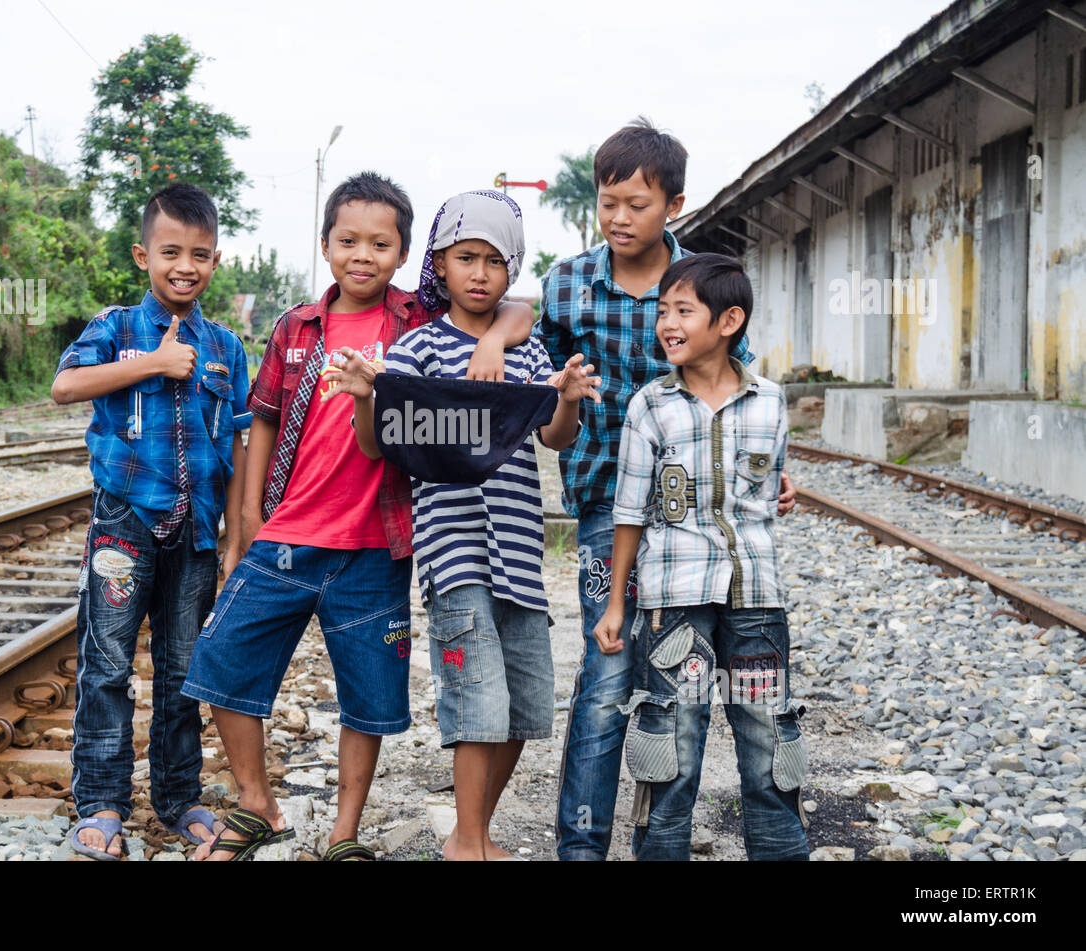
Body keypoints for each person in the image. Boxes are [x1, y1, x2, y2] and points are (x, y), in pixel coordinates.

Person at [182, 172, 535, 861]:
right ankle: (256, 801)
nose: (363, 255)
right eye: (349, 240)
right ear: (326, 245)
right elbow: (263, 418)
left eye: (381, 242)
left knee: (365, 697)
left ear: (405, 255)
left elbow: (512, 306)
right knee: (220, 660)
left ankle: (344, 831)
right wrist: (248, 518)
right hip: (287, 533)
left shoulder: (418, 322)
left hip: (377, 541)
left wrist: (495, 341)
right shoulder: (296, 327)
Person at [538, 117, 797, 861]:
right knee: (608, 675)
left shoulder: (705, 284)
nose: (619, 218)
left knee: (687, 693)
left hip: (699, 529)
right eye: (607, 201)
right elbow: (538, 362)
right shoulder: (566, 285)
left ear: (673, 205)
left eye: (636, 204)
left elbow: (739, 391)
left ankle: (684, 833)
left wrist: (774, 472)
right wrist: (509, 348)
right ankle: (581, 845)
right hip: (604, 508)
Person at [332, 191, 600, 859]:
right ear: (441, 266)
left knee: (522, 707)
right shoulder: (416, 349)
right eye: (465, 258)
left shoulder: (527, 350)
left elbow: (556, 438)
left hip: (519, 551)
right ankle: (471, 843)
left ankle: (467, 828)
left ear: (511, 272)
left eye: (495, 262)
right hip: (454, 552)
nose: (480, 273)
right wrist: (368, 398)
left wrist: (565, 400)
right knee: (477, 700)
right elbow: (377, 445)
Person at [51, 182, 251, 860]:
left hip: (195, 529)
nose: (184, 266)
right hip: (124, 523)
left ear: (216, 261)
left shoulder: (225, 347)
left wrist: (237, 532)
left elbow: (242, 438)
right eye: (170, 252)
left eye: (199, 254)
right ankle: (101, 802)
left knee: (182, 668)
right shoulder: (115, 327)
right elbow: (65, 386)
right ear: (144, 254)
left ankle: (178, 797)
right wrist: (157, 364)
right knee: (106, 662)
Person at [594, 252, 809, 861]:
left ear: (728, 320)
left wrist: (783, 491)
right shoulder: (650, 406)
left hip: (758, 602)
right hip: (675, 604)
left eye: (682, 310)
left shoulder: (771, 400)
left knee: (769, 746)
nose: (667, 323)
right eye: (662, 311)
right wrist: (616, 603)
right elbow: (630, 510)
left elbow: (768, 488)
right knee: (672, 748)